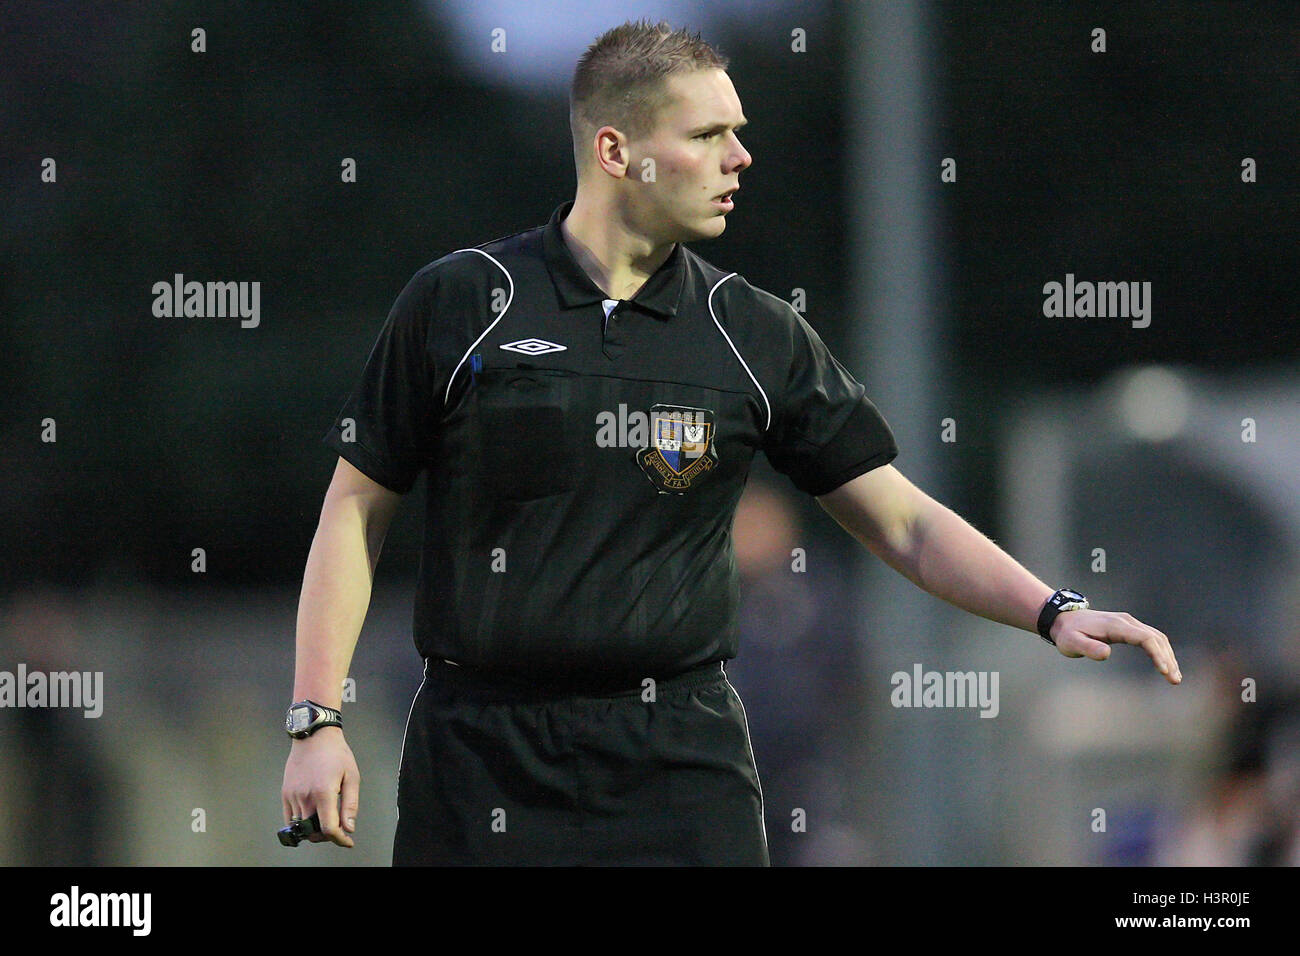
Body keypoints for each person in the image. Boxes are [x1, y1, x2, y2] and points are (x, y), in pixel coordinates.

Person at [281, 19, 1181, 866]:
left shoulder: (754, 331)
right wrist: (316, 719)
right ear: (616, 151)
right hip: (480, 759)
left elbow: (899, 520)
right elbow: (354, 514)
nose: (740, 157)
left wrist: (1051, 609)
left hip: (679, 759)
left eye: (738, 131)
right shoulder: (460, 301)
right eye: (709, 135)